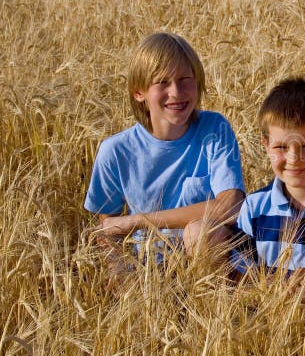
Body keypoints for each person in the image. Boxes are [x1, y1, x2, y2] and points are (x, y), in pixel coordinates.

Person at [84, 32, 245, 265]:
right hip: (148, 269)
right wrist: (128, 287)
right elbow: (108, 232)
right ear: (139, 92)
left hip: (208, 266)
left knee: (202, 233)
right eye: (162, 82)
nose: (176, 93)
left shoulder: (214, 129)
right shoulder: (115, 152)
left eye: (184, 79)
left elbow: (230, 208)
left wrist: (138, 221)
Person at [234, 77, 305, 275]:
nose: (293, 158)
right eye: (281, 147)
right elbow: (242, 280)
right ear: (266, 145)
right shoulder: (254, 209)